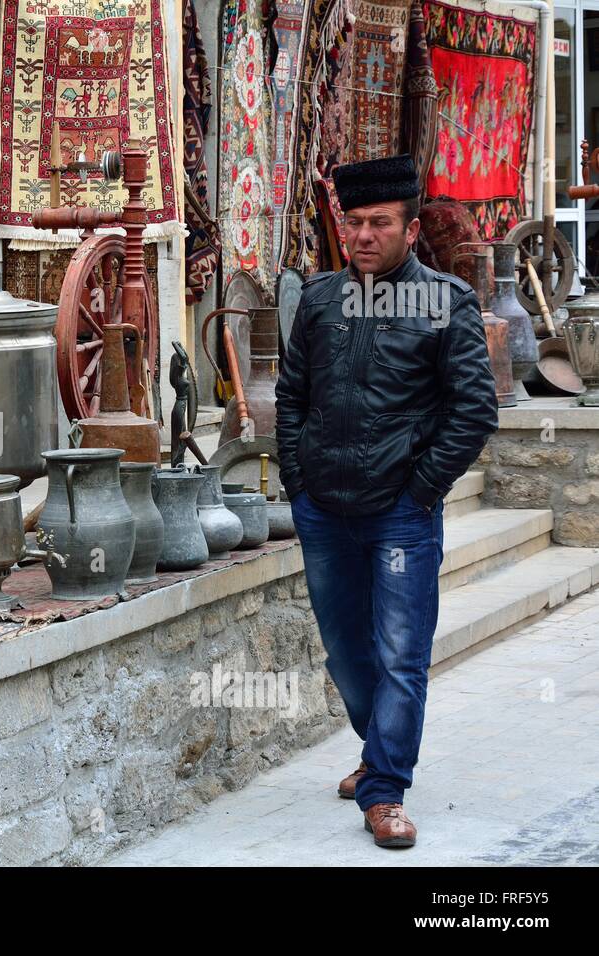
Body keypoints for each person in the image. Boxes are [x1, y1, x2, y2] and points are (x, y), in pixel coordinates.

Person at [275, 154, 500, 848]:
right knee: (346, 654)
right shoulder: (318, 299)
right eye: (354, 223)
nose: (364, 236)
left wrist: (422, 488)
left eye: (379, 224)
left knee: (401, 652)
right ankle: (381, 750)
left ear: (409, 229)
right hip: (324, 509)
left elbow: (474, 411)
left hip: (401, 511)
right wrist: (297, 479)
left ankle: (383, 789)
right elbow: (291, 397)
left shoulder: (445, 301)